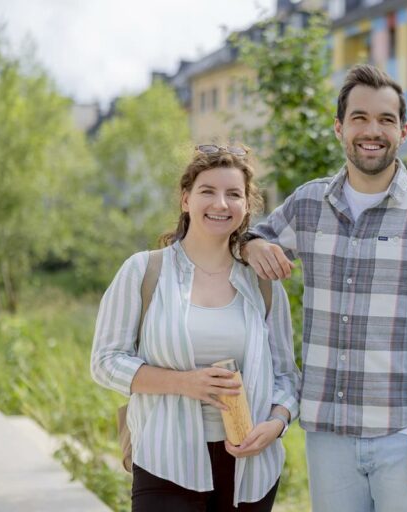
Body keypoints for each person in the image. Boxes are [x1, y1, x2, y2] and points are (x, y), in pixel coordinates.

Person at [243, 64, 407, 511]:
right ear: (339, 128)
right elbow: (248, 239)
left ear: (403, 131)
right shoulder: (308, 203)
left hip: (406, 432)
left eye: (386, 119)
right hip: (328, 434)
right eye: (360, 118)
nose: (373, 131)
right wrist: (252, 245)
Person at [91, 145, 300, 512]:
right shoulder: (144, 271)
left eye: (233, 194)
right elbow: (106, 362)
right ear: (186, 200)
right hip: (165, 460)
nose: (221, 203)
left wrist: (277, 423)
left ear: (246, 206)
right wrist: (184, 383)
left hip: (250, 468)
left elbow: (286, 375)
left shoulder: (262, 282)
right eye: (208, 191)